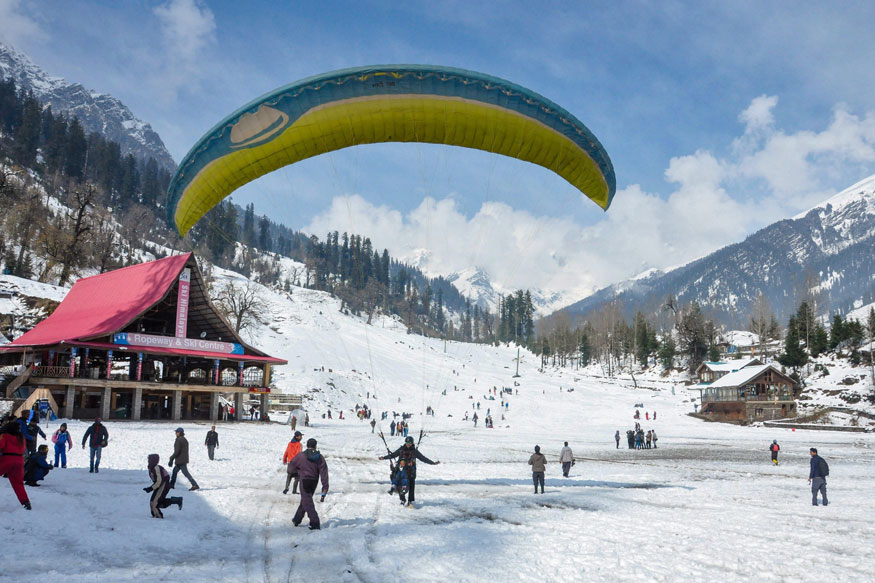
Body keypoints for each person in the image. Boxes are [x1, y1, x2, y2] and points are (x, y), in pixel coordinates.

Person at [378, 436, 440, 507]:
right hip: (400, 469)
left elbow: (423, 458)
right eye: (407, 442)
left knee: (411, 485)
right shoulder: (401, 449)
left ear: (412, 443)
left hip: (411, 471)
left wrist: (432, 463)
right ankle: (402, 499)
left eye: (410, 443)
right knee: (399, 484)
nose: (408, 444)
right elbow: (393, 455)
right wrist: (384, 457)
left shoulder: (414, 451)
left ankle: (410, 501)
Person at [286, 438, 329, 529]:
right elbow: (324, 473)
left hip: (304, 480)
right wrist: (325, 486)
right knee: (306, 500)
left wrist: (296, 473)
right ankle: (297, 519)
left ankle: (315, 522)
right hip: (314, 481)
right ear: (315, 446)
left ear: (307, 445)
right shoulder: (320, 457)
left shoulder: (300, 456)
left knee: (307, 501)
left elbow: (290, 468)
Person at [0, 420, 31, 509]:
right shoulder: (22, 437)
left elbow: (1, 446)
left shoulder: (6, 436)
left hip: (6, 459)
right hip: (19, 461)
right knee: (18, 483)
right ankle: (25, 502)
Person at [143, 454, 183, 518]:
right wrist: (151, 488)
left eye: (149, 460)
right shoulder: (152, 467)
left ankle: (158, 517)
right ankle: (176, 500)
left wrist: (151, 488)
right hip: (160, 486)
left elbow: (160, 481)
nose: (148, 461)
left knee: (154, 503)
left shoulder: (156, 468)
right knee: (157, 502)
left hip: (163, 485)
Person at [283, 430, 304, 494]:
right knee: (297, 477)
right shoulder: (299, 444)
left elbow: (286, 452)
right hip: (296, 463)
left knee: (289, 476)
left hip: (290, 462)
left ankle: (286, 488)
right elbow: (299, 454)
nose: (301, 437)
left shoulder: (290, 443)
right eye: (300, 436)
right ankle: (294, 490)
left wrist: (284, 460)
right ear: (297, 437)